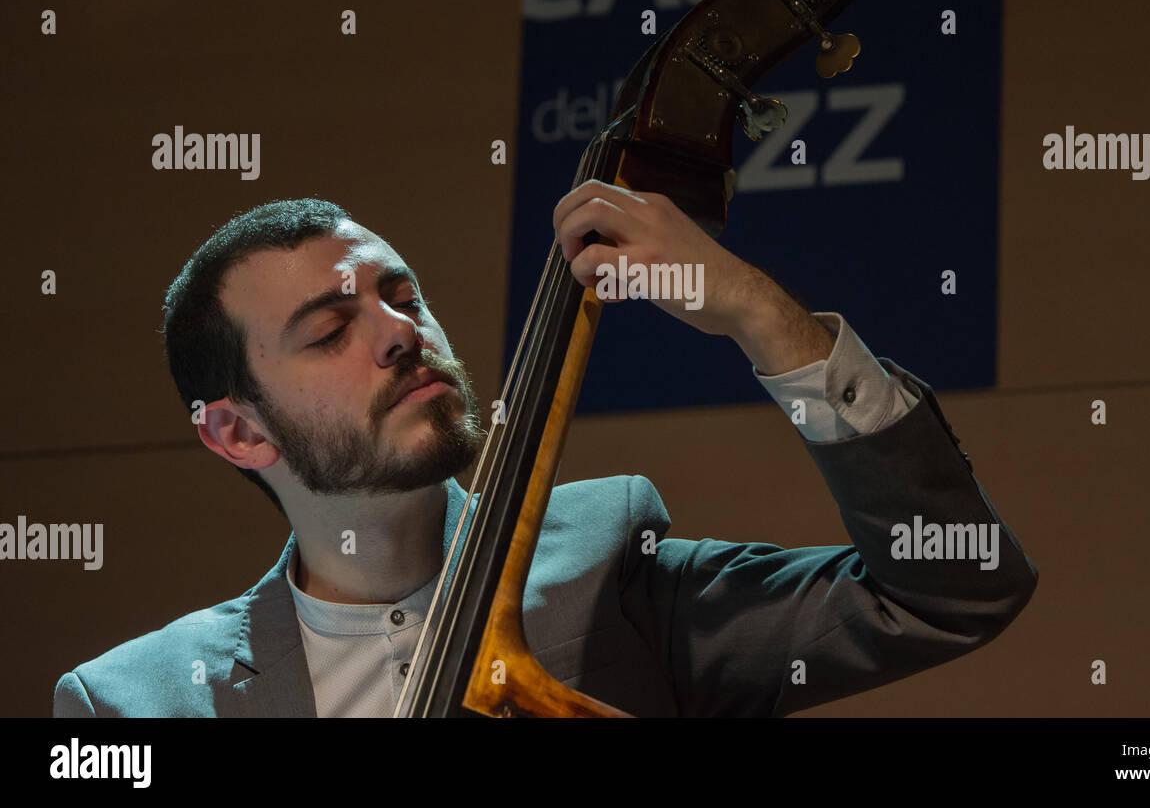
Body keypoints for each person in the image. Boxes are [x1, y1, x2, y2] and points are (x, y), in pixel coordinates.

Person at [53, 187, 1036, 717]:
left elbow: (950, 590)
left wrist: (756, 314)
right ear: (238, 430)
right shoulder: (128, 704)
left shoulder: (613, 569)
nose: (398, 330)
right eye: (327, 330)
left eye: (403, 294)